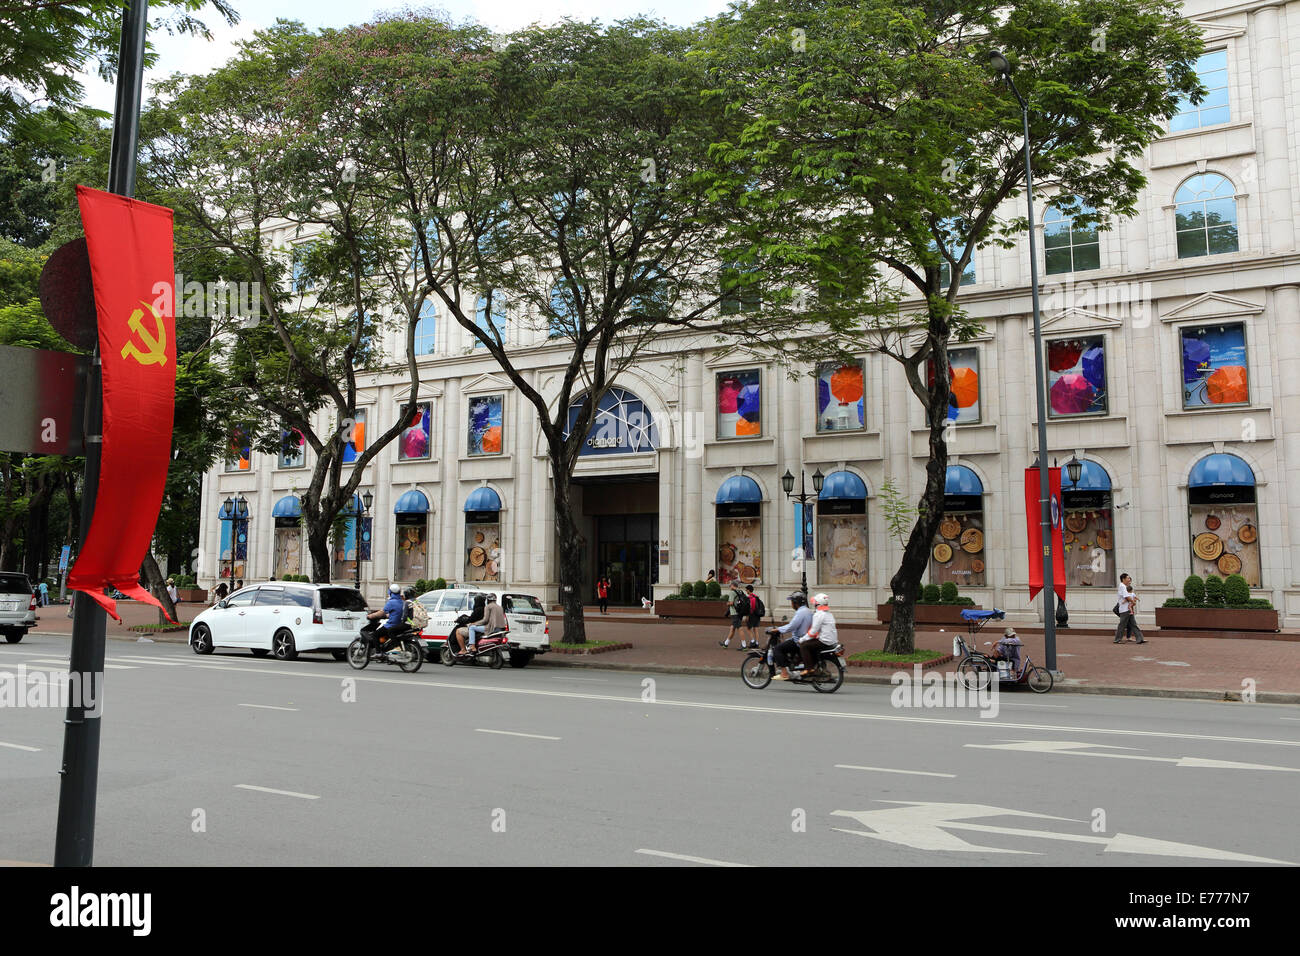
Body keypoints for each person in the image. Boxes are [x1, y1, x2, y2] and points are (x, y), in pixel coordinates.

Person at [771, 592, 813, 681]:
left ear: (796, 603)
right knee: (787, 643)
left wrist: (778, 629)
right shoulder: (808, 611)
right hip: (806, 638)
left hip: (799, 640)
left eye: (792, 602)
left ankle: (784, 673)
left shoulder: (800, 612)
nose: (791, 604)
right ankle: (793, 666)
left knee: (777, 649)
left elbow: (792, 626)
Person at [798, 592, 839, 675]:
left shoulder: (819, 615)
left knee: (804, 645)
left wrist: (802, 639)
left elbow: (813, 631)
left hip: (824, 641)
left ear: (817, 604)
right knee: (811, 644)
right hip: (832, 640)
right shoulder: (829, 614)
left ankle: (809, 668)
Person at [364, 583, 407, 647]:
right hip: (400, 625)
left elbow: (381, 613)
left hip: (392, 625)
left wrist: (370, 616)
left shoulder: (391, 602)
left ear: (390, 592)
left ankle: (378, 653)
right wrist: (387, 616)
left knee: (375, 635)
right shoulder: (403, 601)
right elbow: (397, 613)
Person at [1114, 573, 1146, 644]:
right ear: (1123, 579)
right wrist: (1133, 602)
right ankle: (1117, 639)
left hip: (1128, 609)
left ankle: (1140, 639)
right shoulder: (1122, 586)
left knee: (1133, 624)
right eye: (1128, 578)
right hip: (1124, 609)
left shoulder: (1124, 586)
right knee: (1122, 625)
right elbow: (1126, 597)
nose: (1129, 580)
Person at [719, 584, 751, 649]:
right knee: (732, 628)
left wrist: (727, 603)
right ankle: (726, 643)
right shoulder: (740, 591)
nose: (729, 587)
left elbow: (731, 603)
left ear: (733, 585)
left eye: (730, 586)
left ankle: (744, 646)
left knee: (739, 628)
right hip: (740, 612)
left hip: (734, 613)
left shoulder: (732, 592)